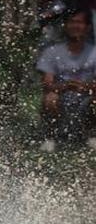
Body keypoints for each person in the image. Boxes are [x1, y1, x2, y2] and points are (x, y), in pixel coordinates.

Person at [37, 10, 96, 153]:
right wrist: (66, 86)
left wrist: (84, 87)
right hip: (61, 96)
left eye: (79, 22)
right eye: (72, 22)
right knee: (50, 98)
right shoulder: (52, 52)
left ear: (87, 27)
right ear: (65, 26)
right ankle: (50, 138)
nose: (75, 26)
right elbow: (47, 84)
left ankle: (92, 135)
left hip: (87, 96)